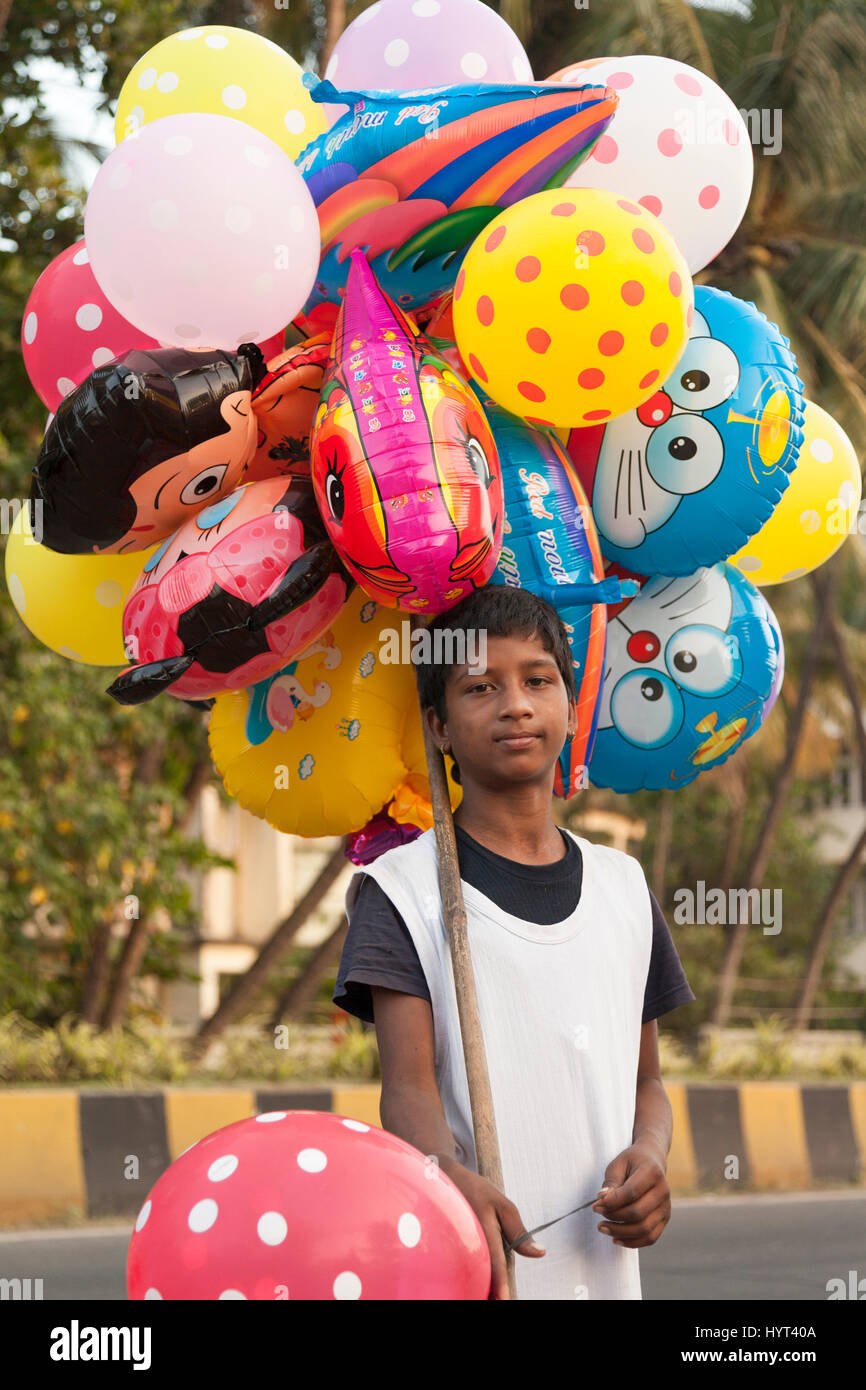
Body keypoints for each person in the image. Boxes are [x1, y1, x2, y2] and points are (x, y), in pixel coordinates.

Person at [334, 583, 695, 1300]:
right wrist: (448, 1174)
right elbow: (406, 1092)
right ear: (438, 727)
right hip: (474, 1270)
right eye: (480, 687)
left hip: (606, 1276)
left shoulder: (622, 886)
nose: (516, 705)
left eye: (538, 680)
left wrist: (650, 1155)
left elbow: (644, 1082)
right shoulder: (400, 892)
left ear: (570, 702)